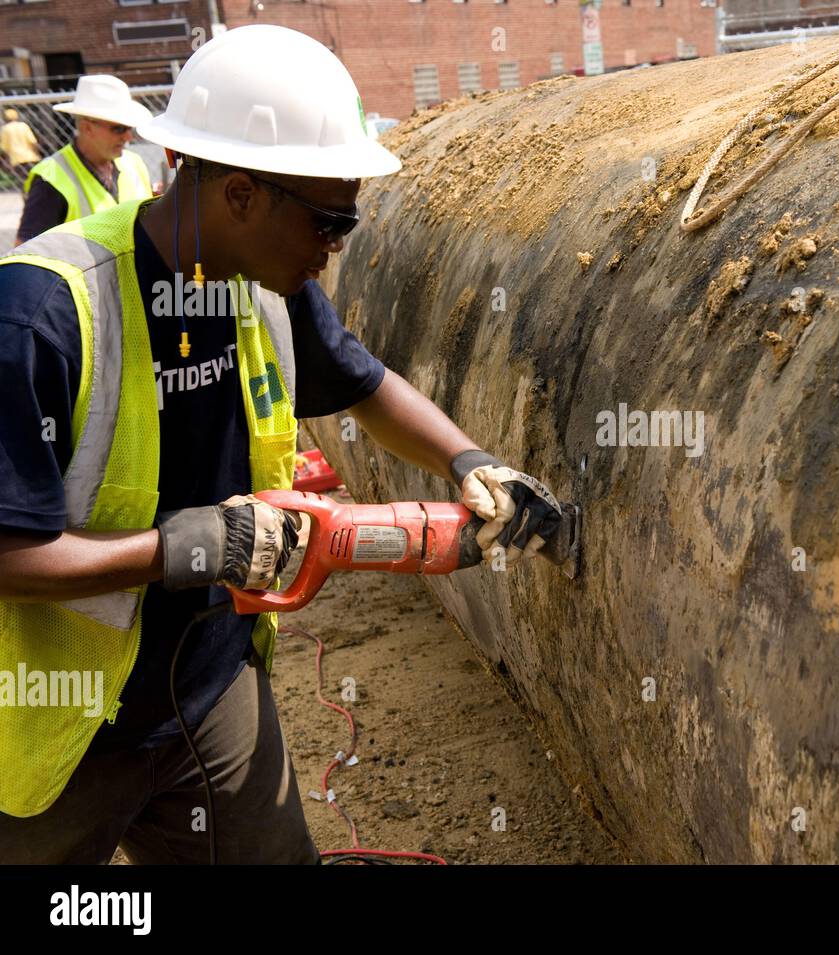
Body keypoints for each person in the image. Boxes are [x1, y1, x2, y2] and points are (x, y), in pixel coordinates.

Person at [0, 24, 563, 863]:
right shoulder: (44, 316)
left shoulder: (263, 283)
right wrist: (190, 545)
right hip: (62, 721)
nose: (333, 253)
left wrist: (469, 460)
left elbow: (363, 383)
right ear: (240, 195)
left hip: (211, 688)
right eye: (329, 224)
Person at [16, 74, 154, 244]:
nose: (128, 137)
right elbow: (26, 252)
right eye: (119, 128)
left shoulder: (134, 163)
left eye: (129, 128)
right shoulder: (50, 179)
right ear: (87, 128)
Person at [1, 107, 40, 187]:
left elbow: (4, 148)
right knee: (34, 179)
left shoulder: (5, 129)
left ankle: (26, 194)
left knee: (24, 181)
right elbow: (33, 142)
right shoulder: (23, 126)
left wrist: (7, 161)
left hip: (16, 159)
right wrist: (37, 153)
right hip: (30, 157)